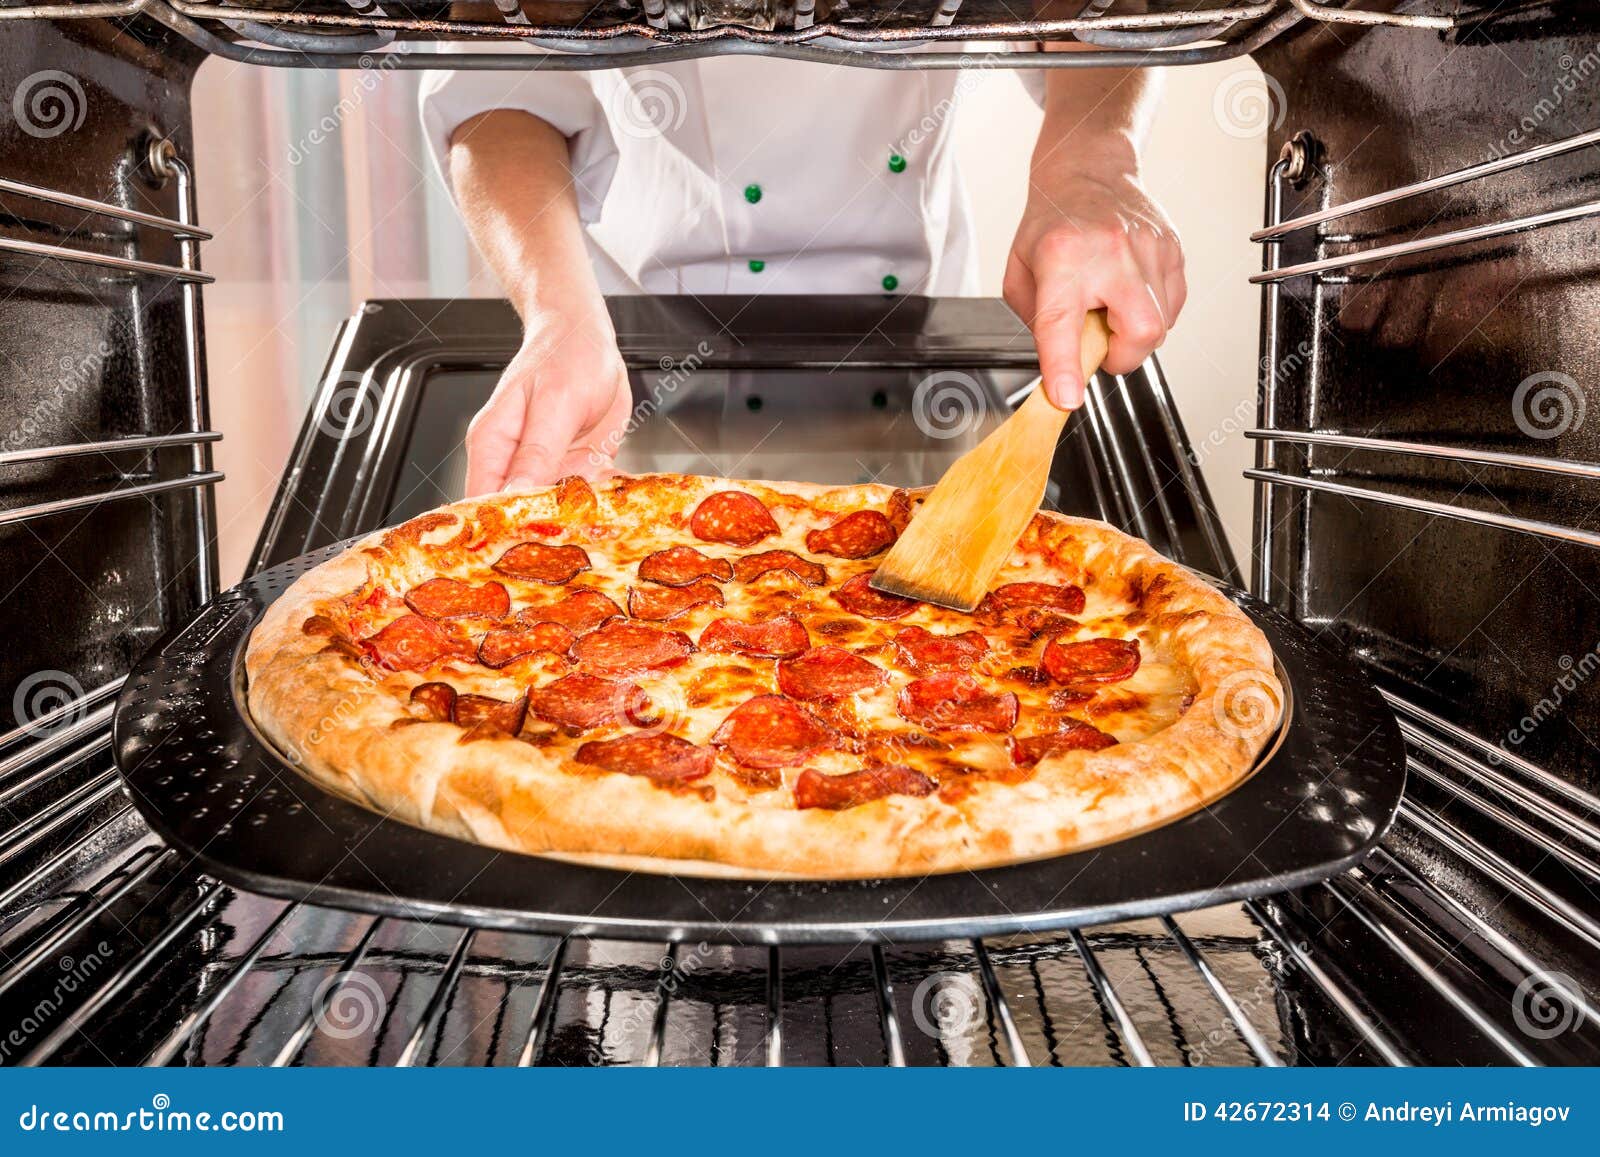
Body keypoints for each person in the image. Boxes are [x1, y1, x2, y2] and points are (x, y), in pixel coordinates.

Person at [420, 43, 1185, 496]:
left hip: (919, 339)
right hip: (639, 355)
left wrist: (1093, 162)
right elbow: (500, 91)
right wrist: (559, 315)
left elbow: (1096, 17)